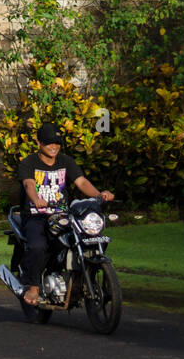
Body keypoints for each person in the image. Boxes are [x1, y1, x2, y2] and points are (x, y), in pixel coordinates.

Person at [17, 122, 114, 306]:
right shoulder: (28, 163)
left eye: (57, 143)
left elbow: (81, 182)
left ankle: (79, 278)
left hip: (62, 215)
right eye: (48, 143)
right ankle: (34, 286)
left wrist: (99, 195)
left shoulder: (66, 161)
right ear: (39, 143)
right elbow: (29, 184)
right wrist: (36, 199)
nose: (53, 146)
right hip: (35, 215)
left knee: (84, 238)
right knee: (38, 246)